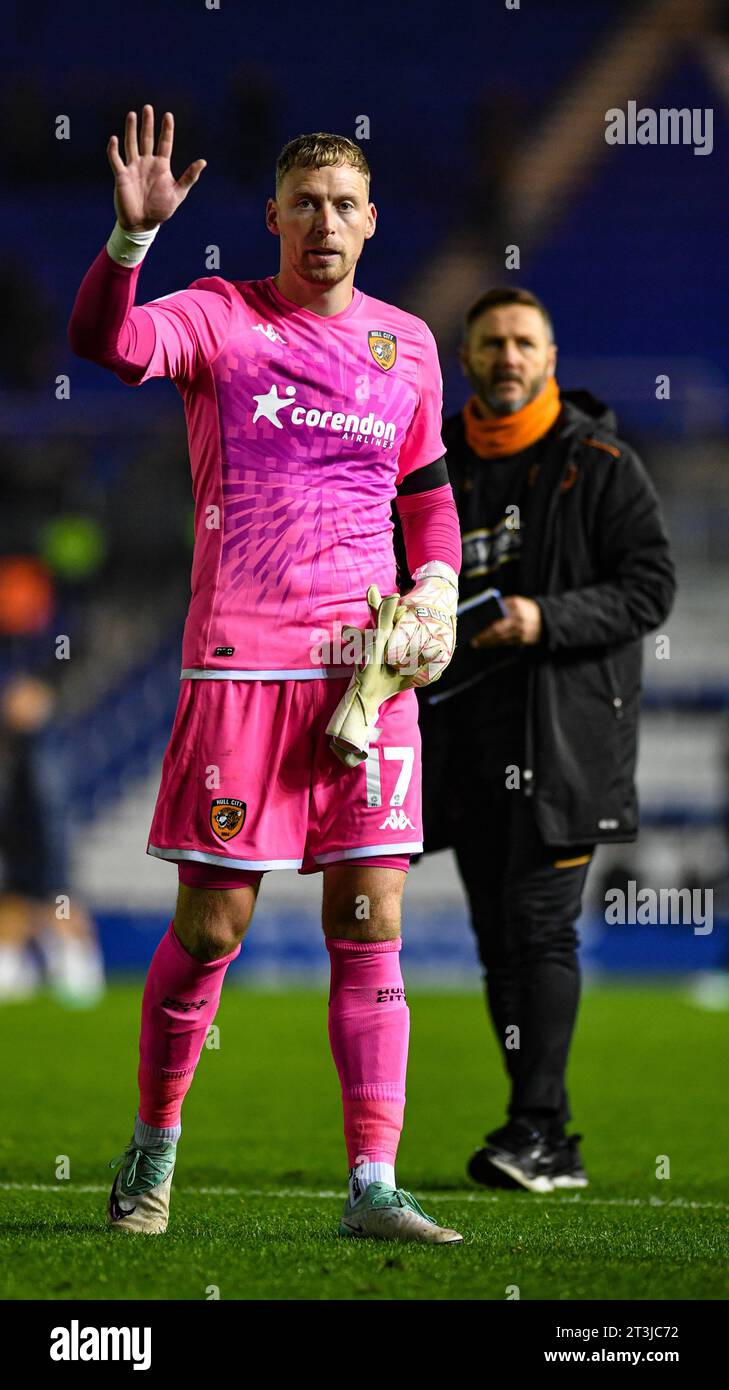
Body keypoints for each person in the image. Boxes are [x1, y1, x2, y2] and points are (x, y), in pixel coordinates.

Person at [68, 108, 463, 1242]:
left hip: (365, 675)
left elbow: (428, 503)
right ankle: (152, 1153)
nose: (325, 223)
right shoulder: (219, 317)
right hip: (243, 658)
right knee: (209, 926)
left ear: (370, 221)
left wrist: (433, 591)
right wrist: (132, 242)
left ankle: (373, 1185)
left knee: (371, 913)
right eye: (307, 205)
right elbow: (109, 343)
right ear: (276, 217)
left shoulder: (409, 346)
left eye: (345, 205)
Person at [401, 287, 676, 1192]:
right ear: (467, 357)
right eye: (489, 344)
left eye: (523, 342)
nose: (506, 357)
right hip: (465, 744)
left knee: (539, 932)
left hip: (563, 745)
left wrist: (539, 617)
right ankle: (542, 1137)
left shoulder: (598, 462)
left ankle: (537, 1129)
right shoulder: (433, 460)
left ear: (549, 357)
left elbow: (649, 590)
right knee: (496, 939)